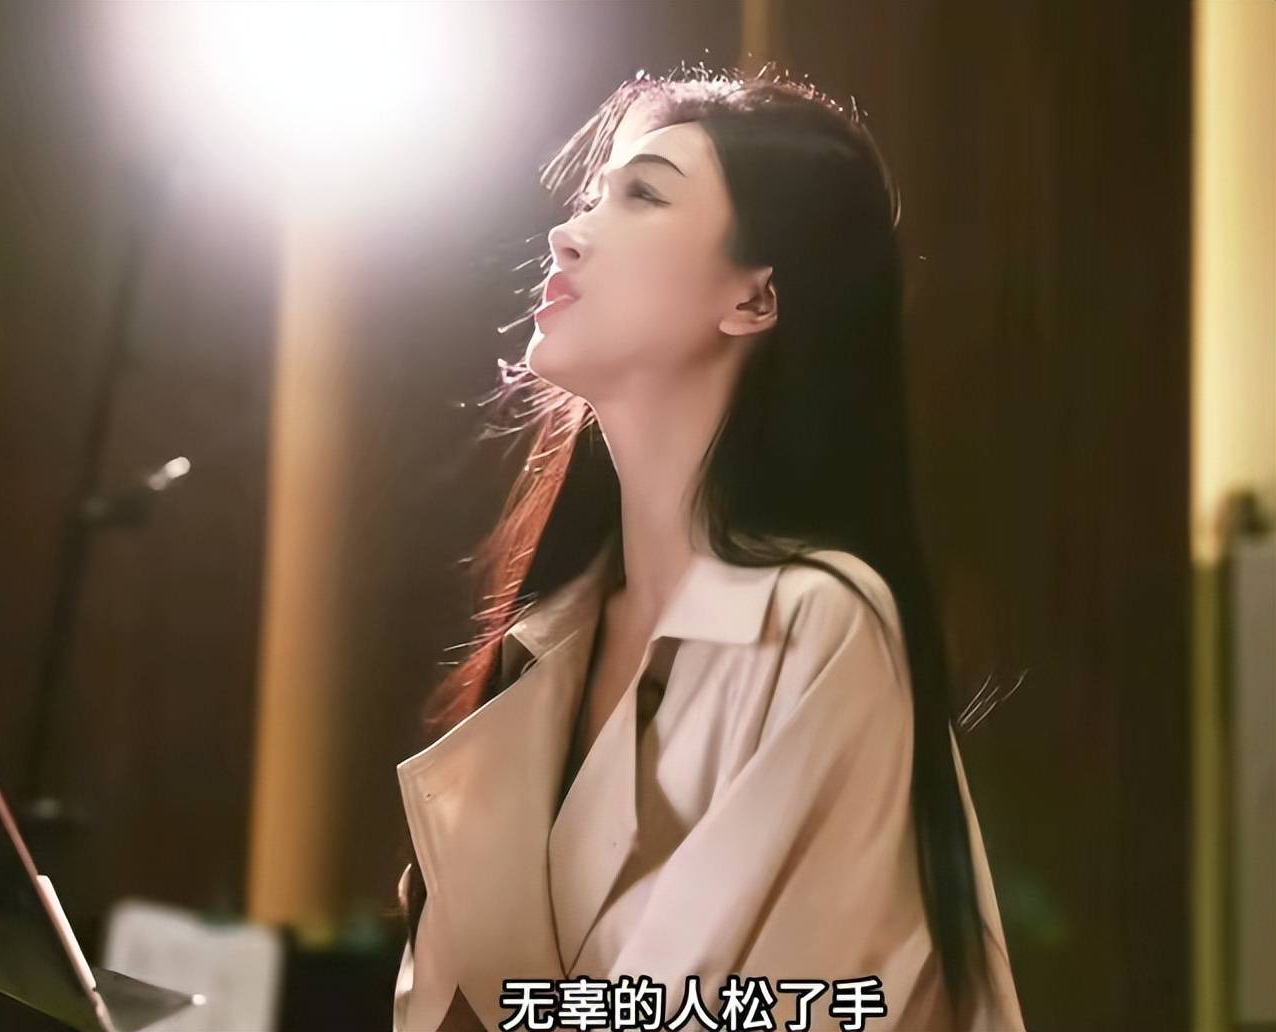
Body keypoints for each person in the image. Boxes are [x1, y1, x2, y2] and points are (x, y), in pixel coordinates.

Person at [392, 65, 1027, 1032]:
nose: (569, 232)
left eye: (642, 195)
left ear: (756, 300)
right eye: (592, 195)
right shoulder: (548, 646)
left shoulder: (818, 623)